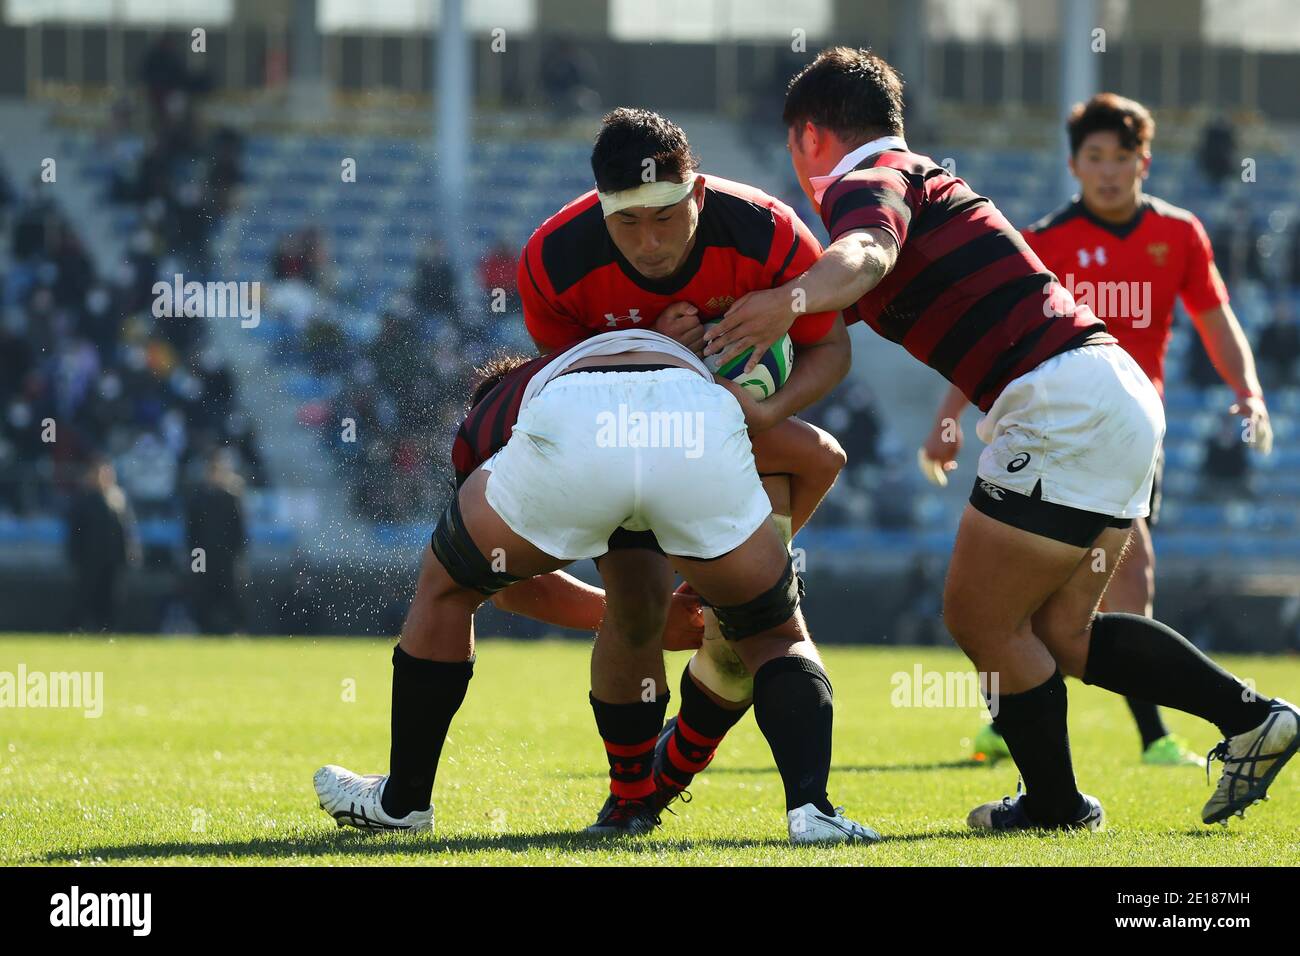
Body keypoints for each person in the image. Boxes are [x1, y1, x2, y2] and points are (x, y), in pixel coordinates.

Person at [705, 46, 1298, 831]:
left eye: (794, 147)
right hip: (1105, 394)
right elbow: (846, 307)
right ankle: (1252, 720)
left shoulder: (868, 181)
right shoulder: (917, 181)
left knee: (979, 618)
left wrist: (792, 297)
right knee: (1064, 633)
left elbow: (867, 251)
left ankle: (1058, 805)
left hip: (1061, 399)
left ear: (810, 136)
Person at [314, 329, 878, 845]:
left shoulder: (498, 418)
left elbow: (502, 584)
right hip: (690, 433)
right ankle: (812, 810)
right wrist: (736, 571)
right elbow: (824, 455)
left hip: (580, 433)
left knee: (449, 589)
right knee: (769, 633)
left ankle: (406, 801)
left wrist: (622, 613)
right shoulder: (689, 387)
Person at [518, 107, 853, 832]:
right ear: (599, 211)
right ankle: (631, 796)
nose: (651, 243)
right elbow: (562, 386)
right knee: (637, 610)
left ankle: (668, 795)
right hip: (624, 437)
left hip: (743, 437)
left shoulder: (767, 233)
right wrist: (647, 347)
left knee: (749, 637)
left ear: (696, 192)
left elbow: (832, 353)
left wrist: (765, 411)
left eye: (667, 216)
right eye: (627, 225)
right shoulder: (554, 259)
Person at [919, 93, 1273, 768]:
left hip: (1134, 436)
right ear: (1075, 164)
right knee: (1090, 584)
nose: (1109, 171)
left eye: (1122, 157)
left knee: (1112, 587)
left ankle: (1079, 729)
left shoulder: (1181, 234)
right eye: (1094, 157)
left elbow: (1217, 320)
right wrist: (947, 416)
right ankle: (1143, 735)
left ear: (1145, 162)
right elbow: (1000, 339)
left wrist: (1248, 390)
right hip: (1053, 432)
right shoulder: (1045, 241)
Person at [66, 458, 140, 632]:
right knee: (87, 597)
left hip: (113, 560)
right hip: (90, 560)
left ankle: (108, 631)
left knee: (112, 599)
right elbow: (75, 533)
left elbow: (128, 530)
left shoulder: (118, 500)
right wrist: (76, 557)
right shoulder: (83, 500)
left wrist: (131, 553)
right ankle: (81, 629)